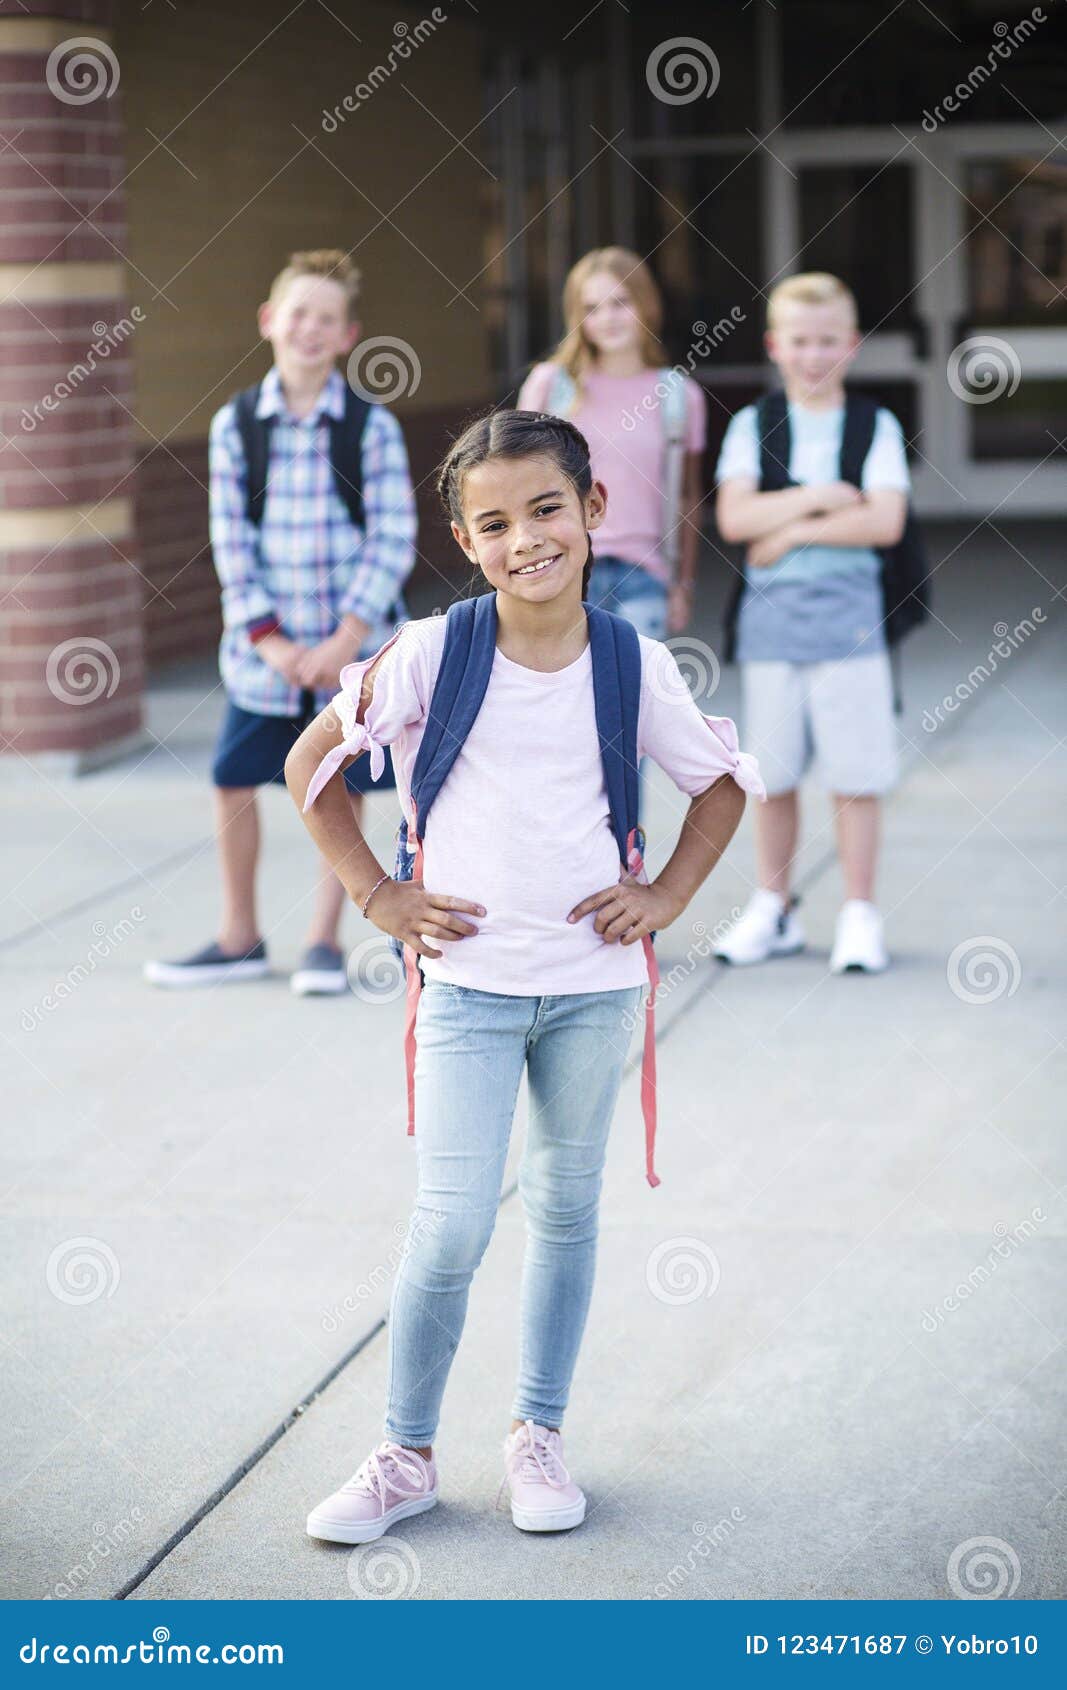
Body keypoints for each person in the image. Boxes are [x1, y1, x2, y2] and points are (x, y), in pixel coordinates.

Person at [284, 408, 764, 1543]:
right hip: (467, 991)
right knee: (449, 1222)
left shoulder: (630, 663)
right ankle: (403, 1454)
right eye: (493, 523)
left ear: (594, 511)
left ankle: (536, 1434)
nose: (525, 539)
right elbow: (311, 763)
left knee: (563, 1206)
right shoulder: (431, 653)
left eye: (546, 509)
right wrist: (375, 895)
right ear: (464, 538)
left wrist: (666, 899)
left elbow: (720, 782)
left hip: (594, 989)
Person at [144, 249, 416, 997]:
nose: (309, 328)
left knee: (342, 781)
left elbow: (392, 537)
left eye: (326, 319)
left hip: (348, 650)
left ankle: (324, 937)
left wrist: (344, 642)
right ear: (269, 321)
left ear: (347, 335)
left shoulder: (370, 428)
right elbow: (230, 539)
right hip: (265, 652)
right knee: (235, 779)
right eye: (297, 313)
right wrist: (273, 643)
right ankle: (240, 935)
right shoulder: (238, 425)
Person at [713, 273, 910, 975]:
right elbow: (735, 519)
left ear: (851, 346)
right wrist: (826, 500)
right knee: (773, 776)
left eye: (827, 340)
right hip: (772, 627)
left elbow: (883, 521)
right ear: (774, 346)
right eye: (799, 341)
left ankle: (859, 912)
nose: (813, 354)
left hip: (850, 622)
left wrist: (788, 530)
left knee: (855, 775)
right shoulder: (753, 425)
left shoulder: (873, 426)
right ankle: (774, 907)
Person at [517, 246, 706, 640]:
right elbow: (517, 488)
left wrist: (682, 585)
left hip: (645, 576)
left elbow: (688, 498)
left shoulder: (678, 395)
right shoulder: (550, 386)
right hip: (561, 571)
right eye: (592, 307)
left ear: (646, 305)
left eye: (620, 302)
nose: (607, 319)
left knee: (629, 698)